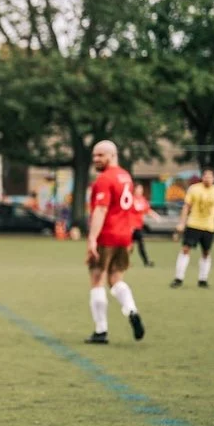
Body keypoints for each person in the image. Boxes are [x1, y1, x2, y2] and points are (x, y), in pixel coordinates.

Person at [84, 140, 145, 344]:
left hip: (107, 235)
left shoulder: (104, 179)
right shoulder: (125, 176)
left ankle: (101, 331)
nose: (96, 159)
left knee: (97, 278)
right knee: (116, 279)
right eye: (94, 155)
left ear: (112, 155)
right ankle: (131, 310)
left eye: (100, 155)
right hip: (124, 235)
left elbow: (101, 210)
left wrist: (92, 238)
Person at [172, 168, 214, 289]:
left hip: (209, 227)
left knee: (206, 253)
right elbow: (186, 207)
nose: (207, 178)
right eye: (205, 176)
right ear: (202, 177)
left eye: (210, 176)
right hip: (193, 225)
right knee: (185, 249)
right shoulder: (194, 189)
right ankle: (178, 278)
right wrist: (181, 223)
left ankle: (203, 279)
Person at [130, 184, 159, 268]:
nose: (140, 191)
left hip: (138, 226)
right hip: (131, 226)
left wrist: (156, 216)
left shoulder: (142, 200)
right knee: (129, 246)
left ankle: (146, 262)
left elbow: (147, 210)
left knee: (141, 244)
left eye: (141, 189)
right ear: (135, 190)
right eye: (139, 189)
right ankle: (125, 262)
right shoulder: (131, 199)